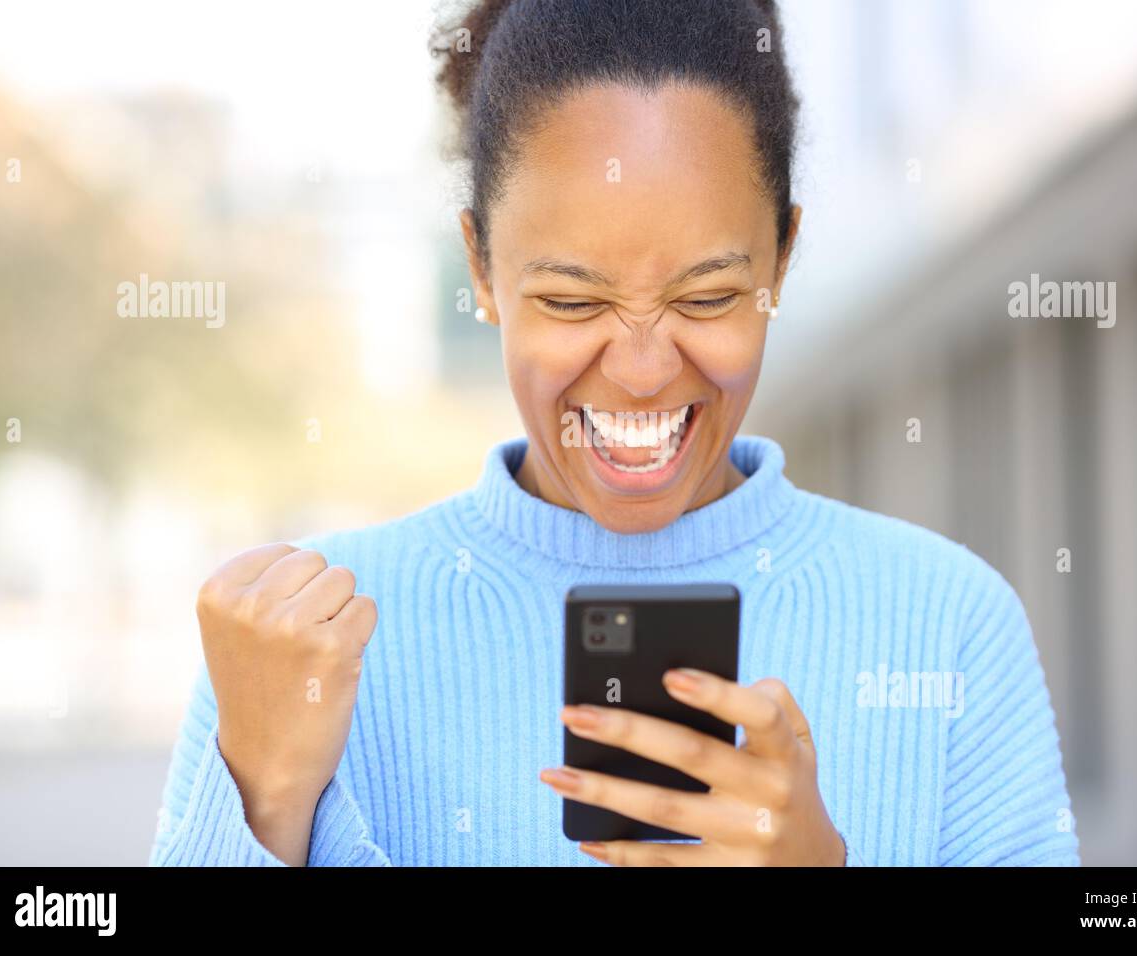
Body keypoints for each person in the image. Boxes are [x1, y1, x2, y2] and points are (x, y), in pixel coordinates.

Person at [150, 0, 1081, 867]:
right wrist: (266, 796)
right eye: (571, 299)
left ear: (783, 260)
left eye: (708, 296)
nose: (640, 367)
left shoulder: (948, 622)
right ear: (480, 267)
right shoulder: (298, 649)